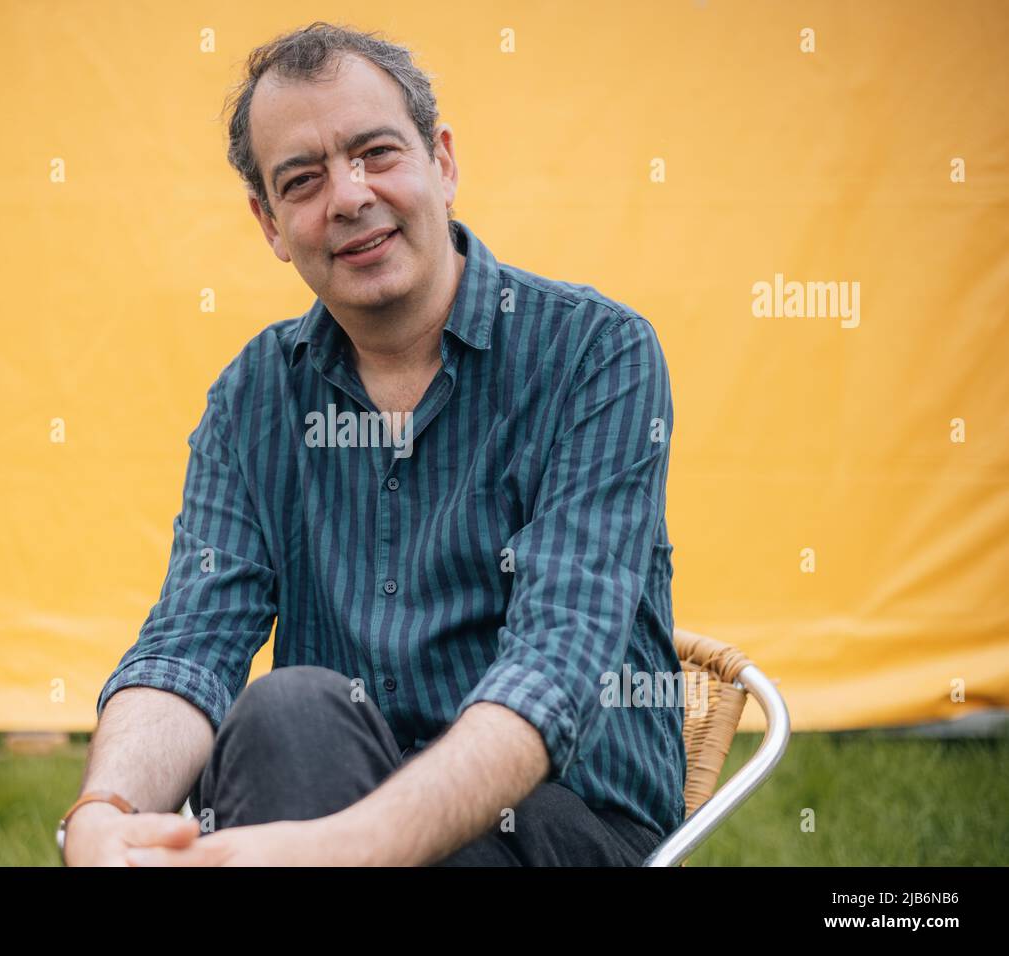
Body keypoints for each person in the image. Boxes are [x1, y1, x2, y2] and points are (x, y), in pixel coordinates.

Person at [60, 21, 687, 866]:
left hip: (558, 821)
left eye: (376, 153)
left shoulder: (595, 354)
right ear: (271, 224)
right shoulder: (254, 397)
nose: (348, 197)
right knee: (286, 715)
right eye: (302, 180)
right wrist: (104, 811)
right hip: (325, 791)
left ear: (444, 162)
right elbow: (188, 646)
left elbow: (557, 659)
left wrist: (353, 844)